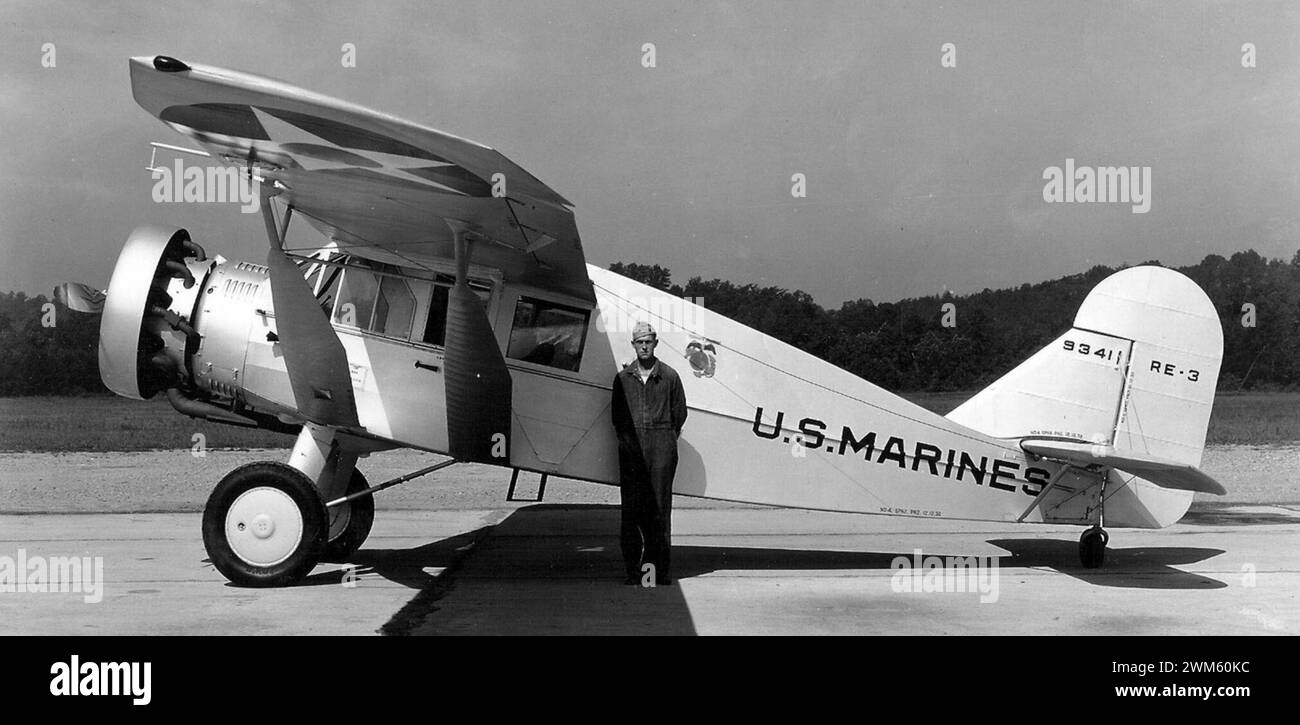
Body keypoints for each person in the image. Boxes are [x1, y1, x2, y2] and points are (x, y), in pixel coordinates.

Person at [611, 321, 687, 586]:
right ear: (633, 345)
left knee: (659, 511)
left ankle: (655, 572)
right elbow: (617, 418)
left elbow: (679, 414)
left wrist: (661, 438)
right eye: (640, 342)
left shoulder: (670, 377)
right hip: (631, 450)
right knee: (631, 511)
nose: (644, 346)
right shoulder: (623, 379)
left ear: (655, 344)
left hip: (661, 448)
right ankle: (633, 572)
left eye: (648, 342)